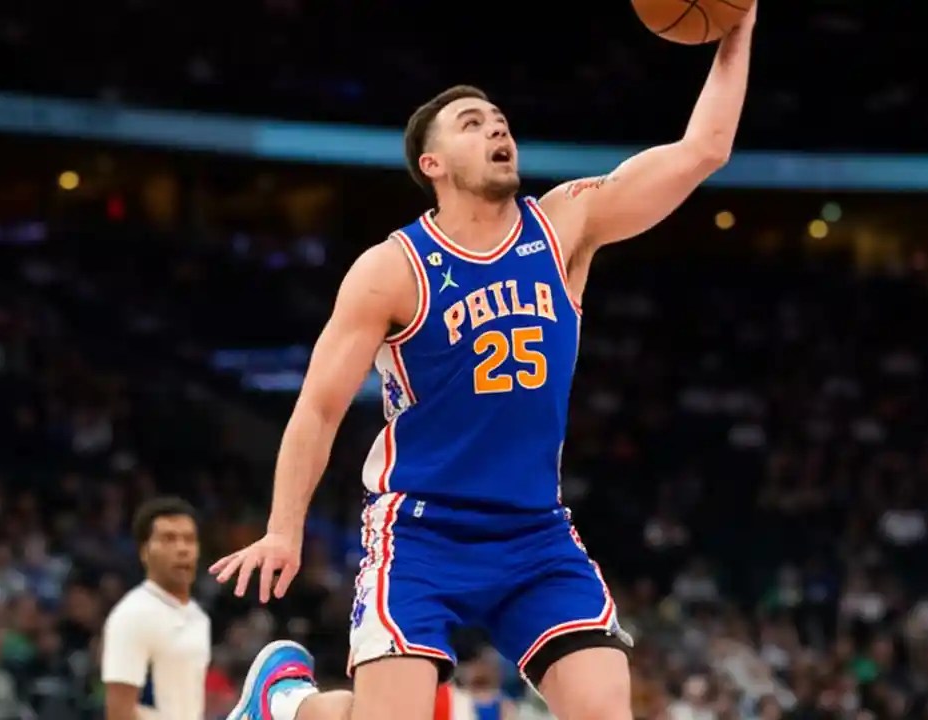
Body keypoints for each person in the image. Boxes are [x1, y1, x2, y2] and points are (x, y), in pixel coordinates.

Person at [212, 6, 755, 719]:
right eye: (472, 123)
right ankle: (286, 702)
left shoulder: (564, 225)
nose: (497, 127)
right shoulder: (392, 270)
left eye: (498, 118)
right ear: (431, 165)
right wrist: (285, 527)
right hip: (421, 533)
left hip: (534, 531)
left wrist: (740, 23)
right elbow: (317, 406)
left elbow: (703, 149)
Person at [103, 497, 211, 719]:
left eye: (189, 540)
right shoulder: (133, 615)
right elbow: (119, 712)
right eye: (168, 539)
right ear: (144, 551)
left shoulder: (198, 616)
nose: (182, 549)